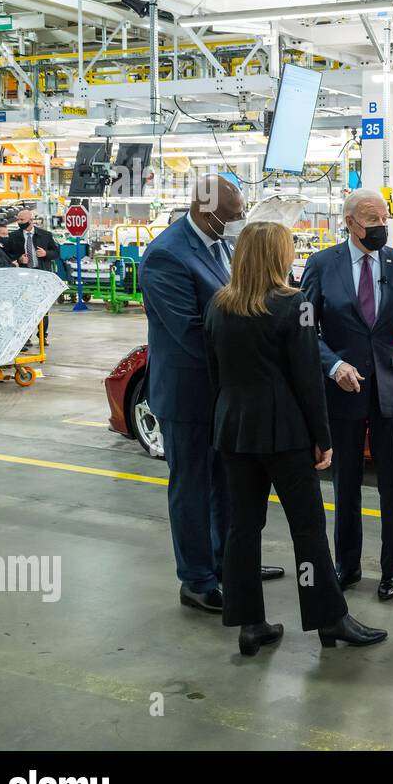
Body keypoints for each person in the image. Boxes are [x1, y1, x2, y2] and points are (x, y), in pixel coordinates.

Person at [205, 222, 386, 654]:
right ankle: (330, 619)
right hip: (284, 433)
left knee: (242, 528)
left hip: (233, 430)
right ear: (277, 257)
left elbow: (214, 372)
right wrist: (322, 438)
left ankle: (250, 624)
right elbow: (308, 379)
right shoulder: (294, 305)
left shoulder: (218, 305)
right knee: (307, 528)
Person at [139, 176, 284, 615]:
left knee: (228, 482)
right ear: (207, 211)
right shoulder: (166, 255)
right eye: (236, 213)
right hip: (187, 396)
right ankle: (197, 579)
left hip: (222, 391)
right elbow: (189, 333)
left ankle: (231, 563)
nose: (241, 219)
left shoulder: (220, 243)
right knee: (193, 488)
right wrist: (256, 350)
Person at [300, 189, 393, 601]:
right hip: (343, 390)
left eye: (384, 218)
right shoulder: (321, 264)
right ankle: (346, 566)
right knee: (345, 485)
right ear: (349, 222)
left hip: (391, 392)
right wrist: (333, 364)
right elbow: (305, 329)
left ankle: (390, 570)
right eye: (371, 220)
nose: (380, 227)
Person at [4, 210, 59, 343]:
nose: (19, 222)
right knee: (23, 308)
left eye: (22, 220)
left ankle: (42, 336)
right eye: (18, 220)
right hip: (23, 276)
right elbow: (7, 254)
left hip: (41, 275)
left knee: (43, 307)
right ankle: (25, 336)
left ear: (31, 220)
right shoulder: (13, 236)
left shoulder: (45, 235)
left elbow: (56, 253)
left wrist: (46, 253)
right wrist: (18, 259)